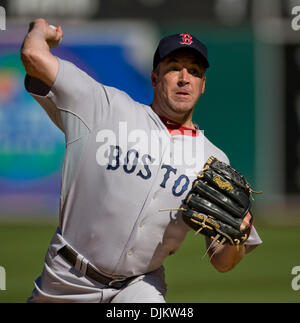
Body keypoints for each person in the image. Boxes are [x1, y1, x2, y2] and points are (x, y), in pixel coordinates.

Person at [20, 19, 262, 303]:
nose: (184, 78)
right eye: (174, 68)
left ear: (203, 85)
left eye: (194, 71)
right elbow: (33, 56)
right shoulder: (105, 107)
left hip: (137, 287)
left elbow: (222, 262)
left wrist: (237, 239)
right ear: (155, 78)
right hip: (66, 278)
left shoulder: (214, 161)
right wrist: (40, 30)